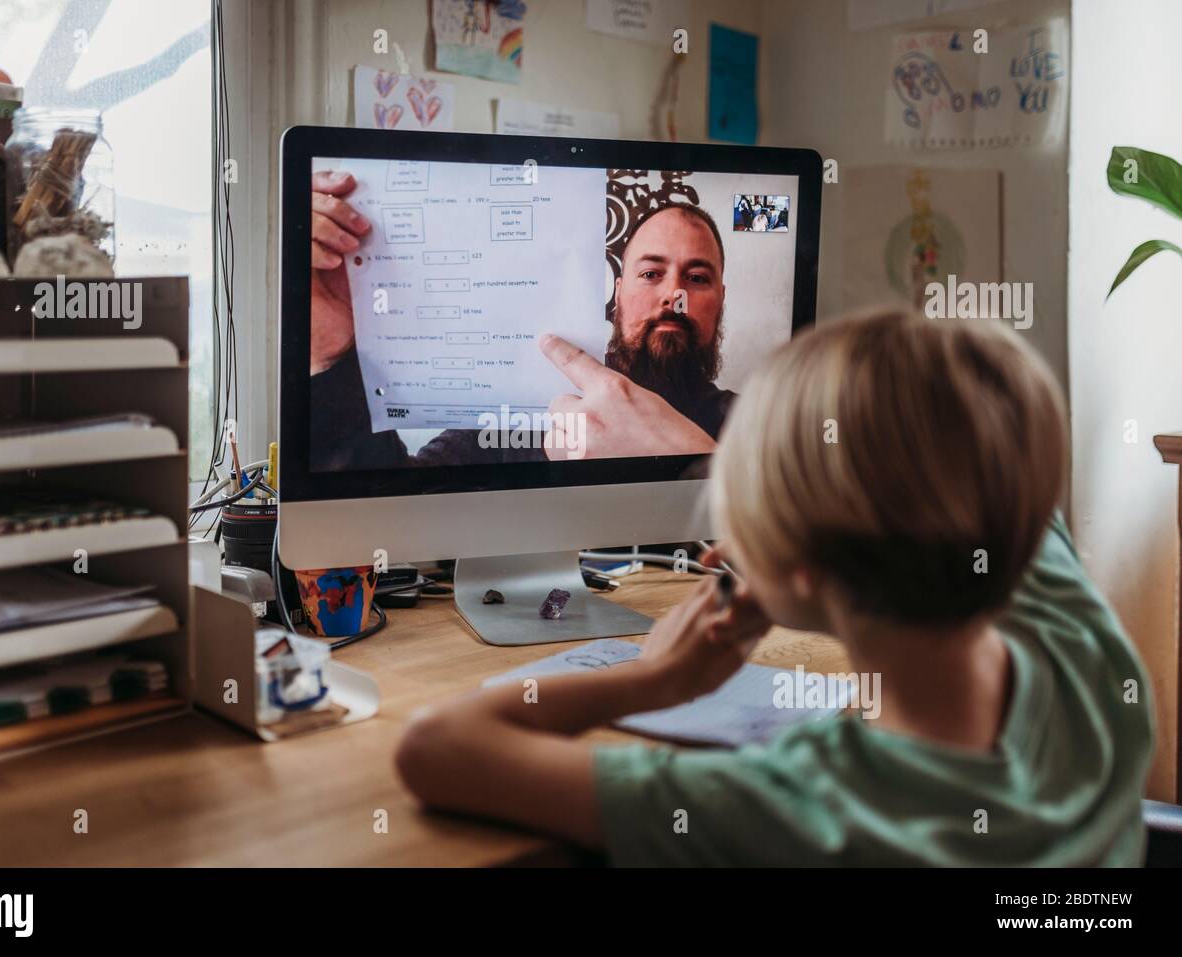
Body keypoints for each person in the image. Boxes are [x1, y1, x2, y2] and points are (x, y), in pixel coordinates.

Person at [394, 309, 1155, 866]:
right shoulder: (1085, 658)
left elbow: (434, 747)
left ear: (796, 567)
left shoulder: (797, 803)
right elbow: (972, 460)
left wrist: (654, 678)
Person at [308, 170, 735, 468]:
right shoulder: (526, 404)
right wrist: (332, 356)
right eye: (651, 274)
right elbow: (400, 507)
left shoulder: (757, 429)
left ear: (721, 299)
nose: (674, 296)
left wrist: (692, 461)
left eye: (697, 278)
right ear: (618, 291)